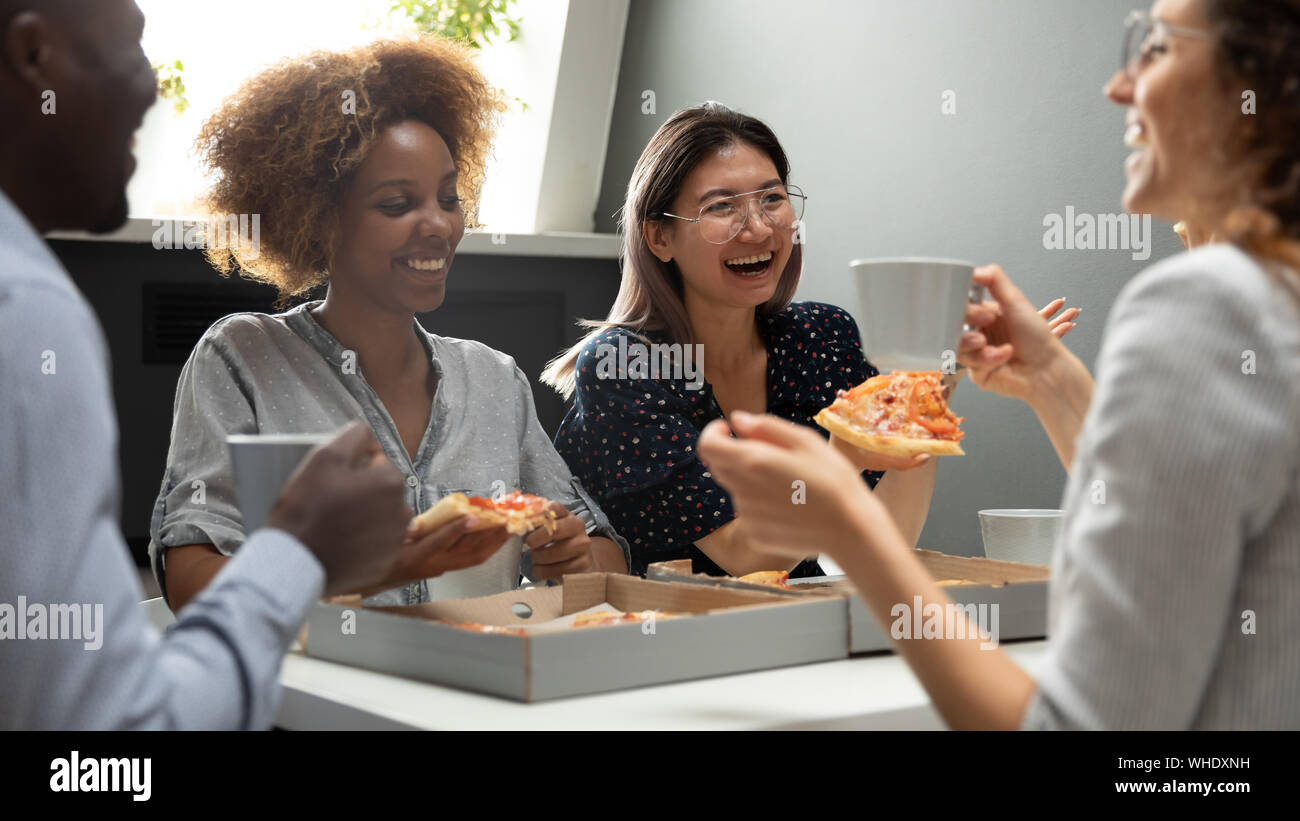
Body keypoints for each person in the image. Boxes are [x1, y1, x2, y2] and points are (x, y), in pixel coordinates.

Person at [699, 0, 1300, 729]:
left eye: (1157, 48)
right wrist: (1054, 383)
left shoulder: (1201, 304)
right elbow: (1203, 548)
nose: (1118, 86)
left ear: (1266, 82)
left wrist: (850, 525)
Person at [0, 0, 474, 730]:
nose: (155, 88)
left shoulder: (493, 375)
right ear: (35, 58)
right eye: (133, 46)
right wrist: (301, 549)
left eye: (448, 197)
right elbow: (108, 740)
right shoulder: (28, 311)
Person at [150, 35, 629, 612]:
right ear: (320, 222)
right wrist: (379, 566)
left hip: (475, 690)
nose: (438, 226)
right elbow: (190, 579)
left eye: (448, 198)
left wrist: (575, 557)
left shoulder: (494, 378)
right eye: (397, 205)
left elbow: (602, 558)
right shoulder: (243, 355)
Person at [544, 103, 1075, 577]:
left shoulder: (820, 338)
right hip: (658, 646)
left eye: (771, 198)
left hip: (800, 642)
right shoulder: (623, 366)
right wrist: (842, 459)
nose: (756, 227)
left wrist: (929, 386)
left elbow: (879, 545)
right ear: (659, 236)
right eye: (721, 207)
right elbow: (745, 558)